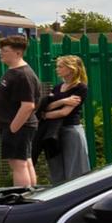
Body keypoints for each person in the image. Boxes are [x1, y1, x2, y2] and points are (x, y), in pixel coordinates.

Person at [0, 35, 41, 188]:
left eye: (5, 51)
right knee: (25, 161)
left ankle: (22, 198)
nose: (1, 53)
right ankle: (30, 193)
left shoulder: (23, 74)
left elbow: (28, 105)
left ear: (18, 53)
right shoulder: (14, 72)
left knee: (18, 164)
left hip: (19, 126)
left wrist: (14, 127)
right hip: (16, 125)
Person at [38, 55, 91, 185]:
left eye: (61, 66)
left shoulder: (81, 88)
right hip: (54, 132)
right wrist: (63, 100)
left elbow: (64, 112)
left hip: (71, 130)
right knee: (56, 168)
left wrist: (44, 116)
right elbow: (47, 106)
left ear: (71, 68)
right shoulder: (57, 87)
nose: (57, 69)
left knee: (75, 168)